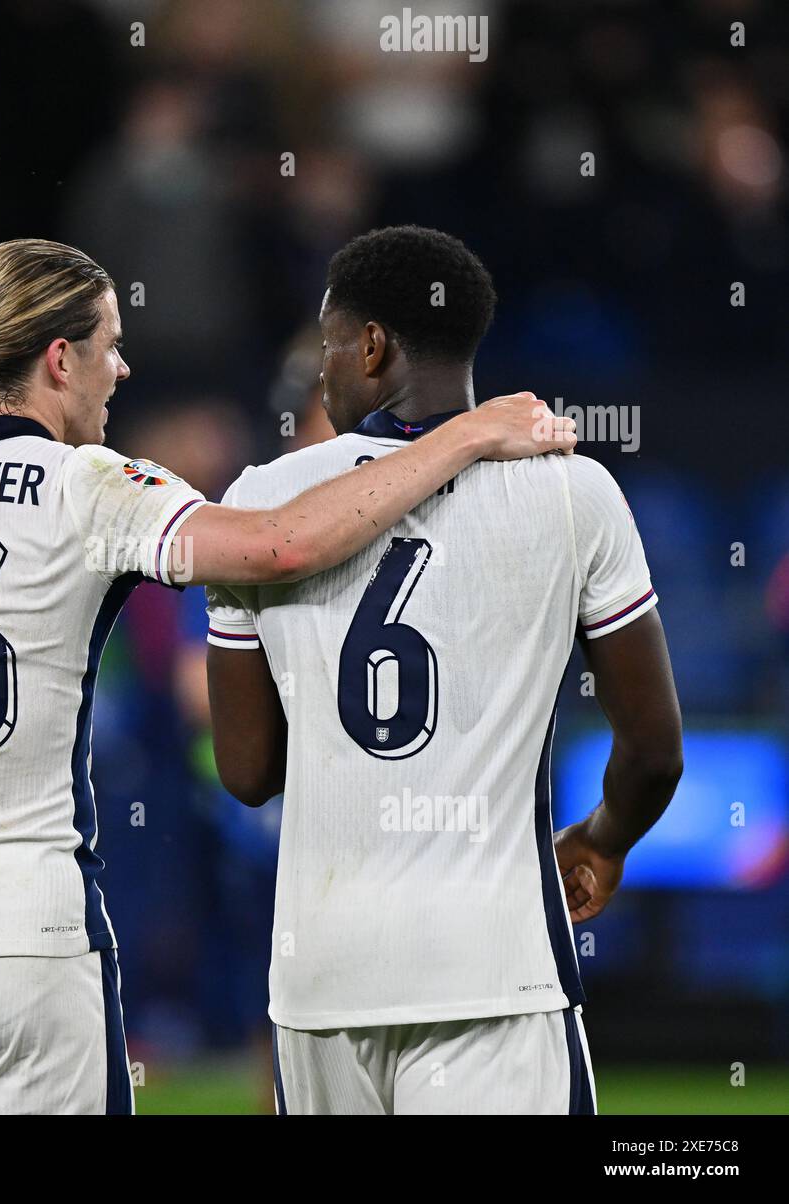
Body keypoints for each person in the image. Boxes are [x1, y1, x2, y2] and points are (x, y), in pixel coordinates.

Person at [0, 237, 573, 1116]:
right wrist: (465, 434)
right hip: (28, 936)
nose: (121, 370)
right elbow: (282, 544)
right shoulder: (89, 484)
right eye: (111, 345)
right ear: (58, 358)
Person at [204, 225, 683, 1115]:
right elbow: (655, 752)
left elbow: (247, 772)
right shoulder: (573, 490)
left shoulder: (262, 503)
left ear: (374, 346)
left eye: (330, 346)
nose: (323, 373)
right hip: (494, 975)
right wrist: (602, 839)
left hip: (320, 984)